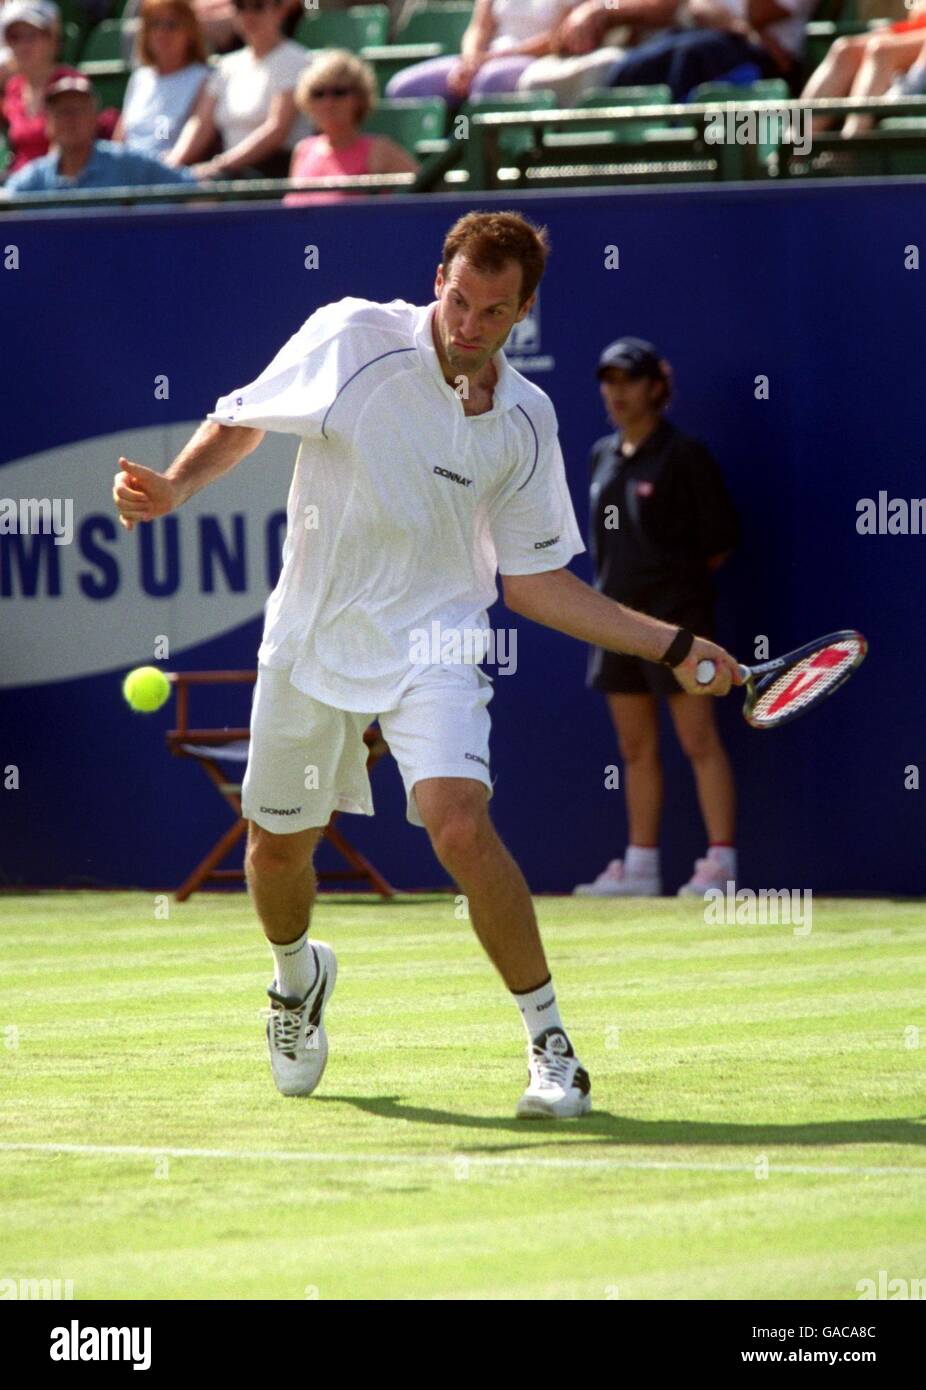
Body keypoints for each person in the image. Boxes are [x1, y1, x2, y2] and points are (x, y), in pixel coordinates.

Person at [111, 212, 740, 1120]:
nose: (469, 325)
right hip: (312, 635)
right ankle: (296, 981)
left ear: (524, 312)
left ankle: (552, 1048)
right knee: (277, 852)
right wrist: (175, 485)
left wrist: (675, 645)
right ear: (437, 276)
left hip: (437, 640)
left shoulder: (527, 419)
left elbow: (533, 584)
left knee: (456, 823)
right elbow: (241, 420)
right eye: (459, 298)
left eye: (495, 311)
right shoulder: (354, 335)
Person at [574, 338, 741, 899]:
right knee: (635, 750)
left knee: (698, 741)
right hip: (615, 624)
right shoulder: (600, 455)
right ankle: (641, 866)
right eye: (609, 380)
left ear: (654, 388)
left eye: (628, 380)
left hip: (680, 627)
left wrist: (674, 606)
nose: (616, 392)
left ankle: (721, 864)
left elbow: (718, 544)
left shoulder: (684, 455)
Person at [167, 0, 309, 179]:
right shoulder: (226, 66)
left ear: (279, 11)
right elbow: (200, 123)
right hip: (230, 172)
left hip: (275, 172)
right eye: (240, 7)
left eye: (258, 6)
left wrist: (220, 165)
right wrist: (173, 163)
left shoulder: (296, 60)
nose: (248, 15)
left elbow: (276, 130)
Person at [4, 72, 196, 192]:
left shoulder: (126, 163)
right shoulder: (36, 176)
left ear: (95, 119)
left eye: (80, 110)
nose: (71, 120)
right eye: (62, 112)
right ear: (49, 124)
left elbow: (191, 189)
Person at [605, 0, 817, 101]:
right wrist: (734, 23)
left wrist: (732, 22)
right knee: (634, 66)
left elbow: (758, 11)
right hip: (712, 38)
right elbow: (695, 7)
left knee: (690, 57)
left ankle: (683, 148)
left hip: (766, 61)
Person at [285, 50, 418, 207]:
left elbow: (428, 192)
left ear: (359, 98)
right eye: (318, 93)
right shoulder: (303, 150)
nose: (328, 103)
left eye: (339, 92)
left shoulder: (380, 150)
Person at [385, 0, 575, 102]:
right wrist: (469, 61)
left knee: (488, 80)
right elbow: (479, 27)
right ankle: (425, 169)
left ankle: (466, 148)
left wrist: (500, 57)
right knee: (404, 88)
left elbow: (559, 36)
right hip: (487, 58)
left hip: (538, 60)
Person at [518, 0, 680, 107]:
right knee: (533, 79)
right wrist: (572, 33)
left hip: (651, 49)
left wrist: (603, 8)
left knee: (603, 67)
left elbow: (662, 9)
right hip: (594, 52)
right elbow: (560, 32)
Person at [800, 3, 926, 138]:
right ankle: (795, 145)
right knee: (844, 49)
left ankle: (852, 144)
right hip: (919, 25)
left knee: (880, 51)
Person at [112, 0, 209, 161]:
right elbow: (119, 142)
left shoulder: (203, 78)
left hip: (168, 176)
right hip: (128, 175)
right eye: (154, 24)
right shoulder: (139, 78)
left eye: (171, 24)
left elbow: (192, 140)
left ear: (190, 31)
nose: (162, 32)